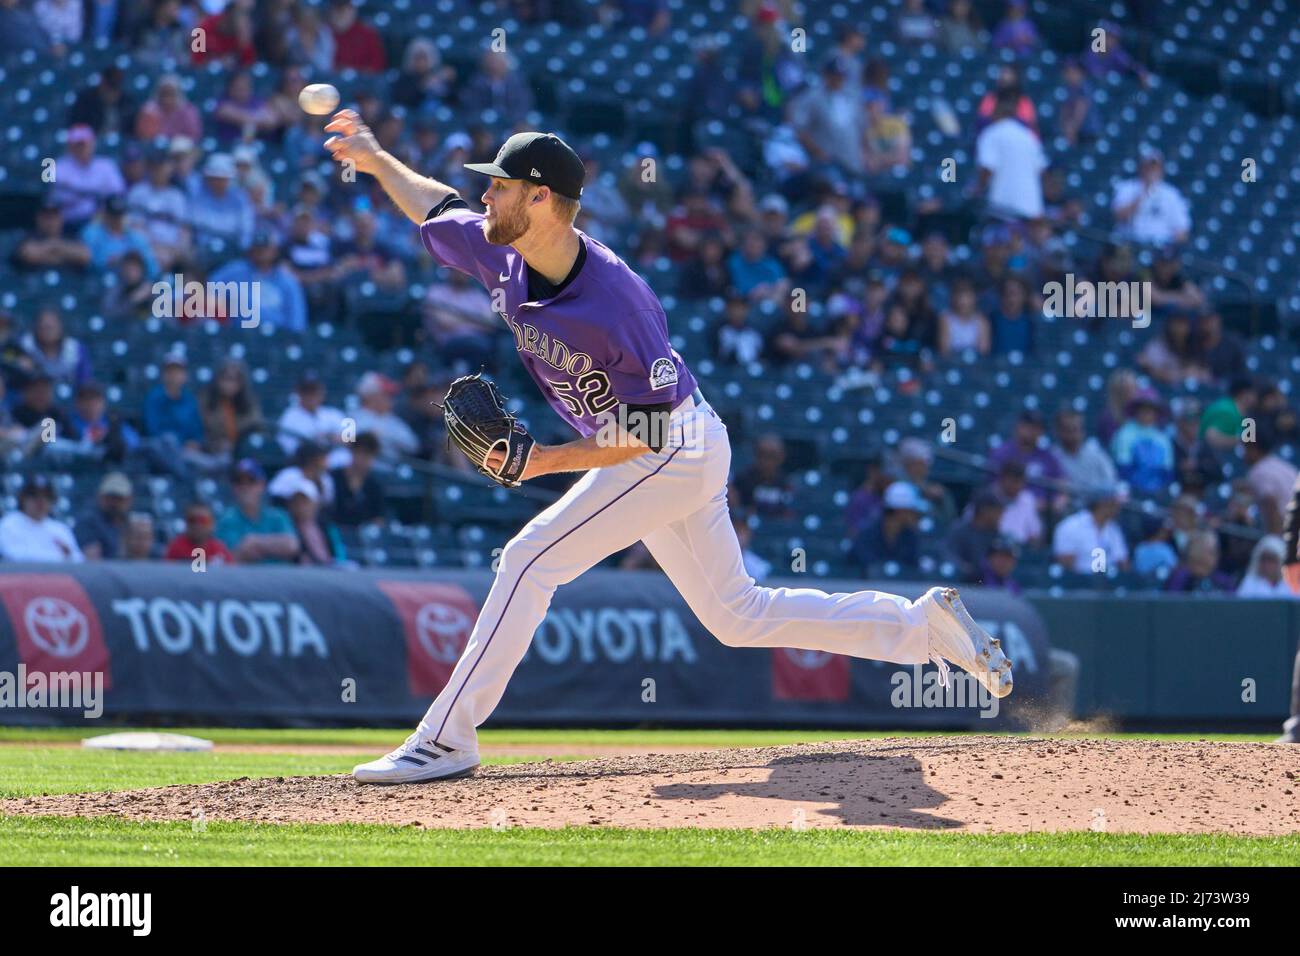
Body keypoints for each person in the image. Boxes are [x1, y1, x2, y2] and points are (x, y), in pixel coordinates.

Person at [321, 113, 1011, 782]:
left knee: (529, 559)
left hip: (672, 445)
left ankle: (444, 739)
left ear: (541, 199)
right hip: (670, 445)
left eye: (500, 185)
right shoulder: (502, 251)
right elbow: (434, 206)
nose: (485, 194)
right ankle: (924, 629)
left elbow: (651, 432)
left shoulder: (619, 299)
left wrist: (545, 462)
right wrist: (377, 158)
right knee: (738, 615)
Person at [976, 88, 1046, 220]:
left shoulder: (991, 133)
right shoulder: (1029, 136)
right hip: (1031, 210)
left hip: (1003, 209)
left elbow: (987, 169)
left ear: (996, 110)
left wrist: (978, 190)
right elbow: (1041, 171)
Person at [215, 458, 300, 564]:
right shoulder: (225, 520)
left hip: (280, 578)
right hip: (241, 579)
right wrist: (273, 546)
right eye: (239, 482)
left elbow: (292, 546)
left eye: (251, 481)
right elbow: (226, 560)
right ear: (233, 487)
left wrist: (254, 542)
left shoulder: (278, 515)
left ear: (262, 485)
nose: (245, 487)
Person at [1112, 147, 1191, 246]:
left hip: (1159, 248)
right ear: (1141, 167)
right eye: (1148, 167)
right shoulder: (1127, 187)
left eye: (1155, 167)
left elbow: (1182, 231)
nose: (1151, 171)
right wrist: (1144, 193)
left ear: (1161, 170)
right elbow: (1120, 216)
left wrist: (1170, 246)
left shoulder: (1171, 194)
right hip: (1129, 243)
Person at [0, 475, 82, 562]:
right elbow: (12, 555)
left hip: (55, 575)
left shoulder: (60, 529)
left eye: (46, 497)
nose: (41, 501)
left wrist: (69, 556)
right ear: (22, 498)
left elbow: (78, 560)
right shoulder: (8, 524)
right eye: (34, 496)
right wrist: (59, 556)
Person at [1052, 486, 1129, 574]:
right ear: (1103, 503)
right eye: (1115, 503)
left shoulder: (1114, 528)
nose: (1118, 508)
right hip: (1079, 584)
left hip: (1109, 583)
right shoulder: (1070, 526)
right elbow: (1066, 566)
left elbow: (1123, 562)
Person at [853, 481, 925, 571]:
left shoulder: (911, 537)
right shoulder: (867, 536)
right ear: (900, 512)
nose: (916, 516)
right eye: (912, 511)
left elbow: (914, 568)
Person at [330, 432, 385, 526]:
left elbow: (378, 518)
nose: (364, 459)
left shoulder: (374, 485)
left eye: (369, 455)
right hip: (335, 530)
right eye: (361, 453)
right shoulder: (334, 477)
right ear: (352, 452)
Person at [75, 472, 133, 560]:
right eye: (110, 498)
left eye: (119, 498)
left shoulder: (131, 523)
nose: (114, 503)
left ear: (129, 500)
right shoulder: (89, 522)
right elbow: (92, 560)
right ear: (100, 497)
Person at [164, 502, 234, 566]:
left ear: (212, 524)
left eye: (202, 520)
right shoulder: (176, 548)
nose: (197, 525)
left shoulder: (219, 549)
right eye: (192, 520)